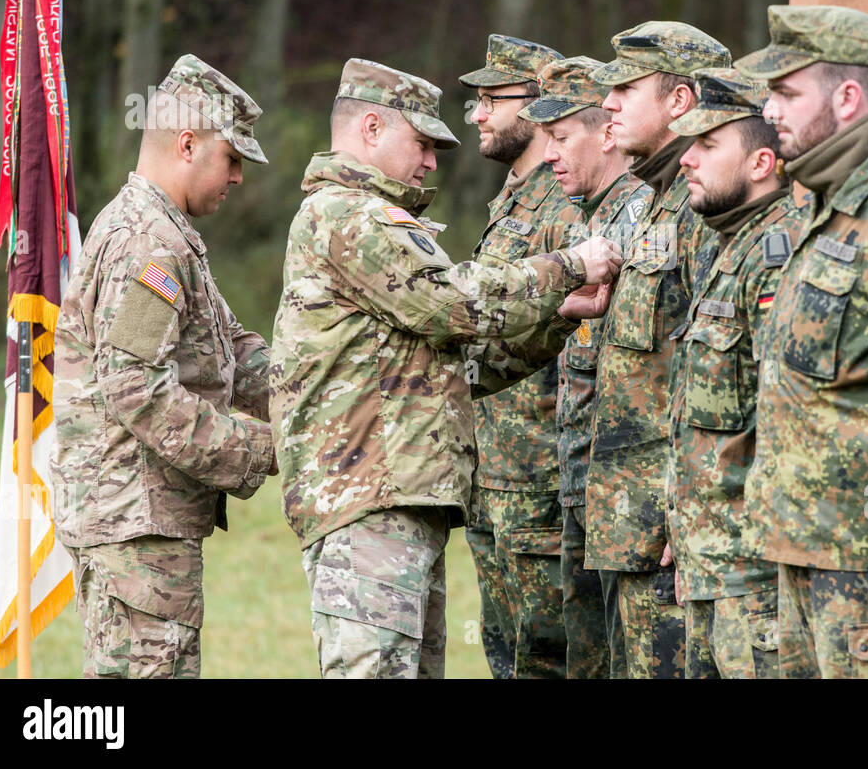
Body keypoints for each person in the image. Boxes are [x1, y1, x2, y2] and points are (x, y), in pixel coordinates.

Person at [269, 58, 620, 679]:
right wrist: (569, 266)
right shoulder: (350, 215)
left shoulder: (375, 219)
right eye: (423, 143)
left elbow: (462, 364)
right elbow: (453, 301)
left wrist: (558, 316)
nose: (432, 162)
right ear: (370, 128)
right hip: (368, 500)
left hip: (394, 498)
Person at [736, 5, 868, 678]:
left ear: (848, 98)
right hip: (802, 548)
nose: (769, 112)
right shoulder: (826, 202)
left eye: (787, 93)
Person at [52, 54, 274, 679]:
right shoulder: (149, 241)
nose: (237, 179)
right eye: (232, 159)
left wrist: (315, 399)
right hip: (134, 526)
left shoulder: (163, 233)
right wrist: (256, 449)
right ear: (187, 144)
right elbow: (137, 388)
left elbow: (231, 347)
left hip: (140, 522)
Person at [586, 21, 730, 678]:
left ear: (680, 101)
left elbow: (720, 372)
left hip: (668, 532)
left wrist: (689, 508)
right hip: (631, 524)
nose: (609, 104)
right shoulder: (658, 200)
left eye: (627, 88)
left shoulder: (704, 211)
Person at [666, 67, 808, 679]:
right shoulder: (732, 245)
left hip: (754, 577)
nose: (685, 162)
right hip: (713, 564)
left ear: (761, 163)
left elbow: (786, 418)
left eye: (706, 146)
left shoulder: (775, 256)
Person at [521, 54, 652, 678]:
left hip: (630, 504)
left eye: (562, 137)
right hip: (587, 491)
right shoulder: (593, 218)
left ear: (605, 134)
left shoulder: (641, 218)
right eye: (544, 140)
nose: (549, 154)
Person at [458, 34, 578, 679]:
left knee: (545, 656)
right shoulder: (511, 198)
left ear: (536, 108)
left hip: (537, 473)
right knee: (506, 653)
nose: (477, 115)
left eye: (491, 100)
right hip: (493, 470)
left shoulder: (564, 206)